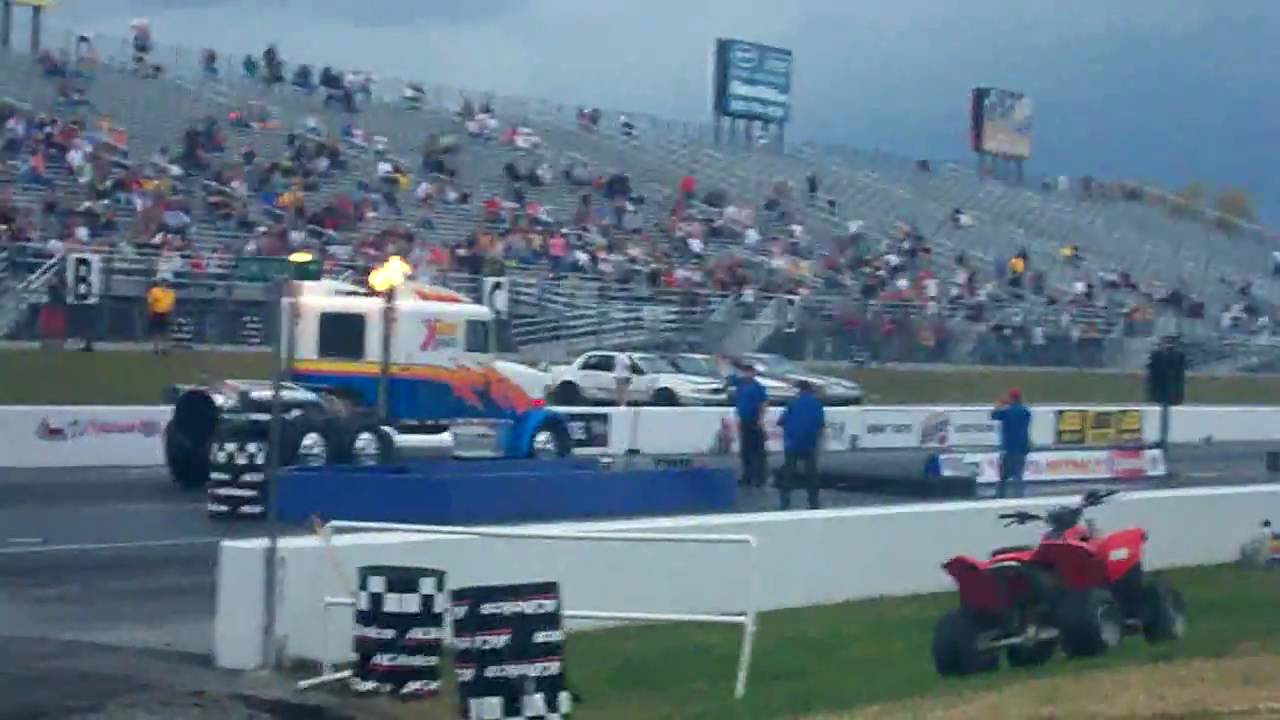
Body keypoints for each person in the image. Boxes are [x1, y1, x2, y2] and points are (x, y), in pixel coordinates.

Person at [779, 380, 825, 510]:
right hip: (809, 443)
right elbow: (820, 424)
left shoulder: (792, 403)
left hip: (792, 443)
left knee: (789, 472)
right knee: (811, 473)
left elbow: (781, 421)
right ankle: (813, 501)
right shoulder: (817, 404)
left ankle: (785, 500)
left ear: (799, 390)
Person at [725, 357, 768, 488]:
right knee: (745, 451)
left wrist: (760, 419)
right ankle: (747, 476)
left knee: (757, 451)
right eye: (745, 371)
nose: (747, 374)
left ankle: (760, 477)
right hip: (744, 420)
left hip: (754, 420)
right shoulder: (741, 383)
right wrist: (732, 364)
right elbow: (728, 379)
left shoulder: (758, 387)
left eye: (750, 371)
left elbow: (763, 404)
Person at [991, 388, 1031, 498]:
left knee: (1003, 476)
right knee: (1018, 476)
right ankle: (1019, 497)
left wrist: (1000, 404)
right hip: (1022, 448)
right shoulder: (1025, 412)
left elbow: (993, 415)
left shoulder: (1007, 411)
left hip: (1008, 448)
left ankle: (1000, 497)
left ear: (1011, 398)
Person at [146, 277, 176, 354]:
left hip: (165, 313)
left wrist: (171, 312)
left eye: (165, 282)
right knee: (156, 331)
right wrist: (150, 311)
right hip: (156, 312)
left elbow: (172, 304)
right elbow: (150, 302)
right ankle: (156, 348)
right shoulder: (154, 291)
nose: (164, 284)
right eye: (162, 282)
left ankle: (165, 348)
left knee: (165, 331)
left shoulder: (171, 293)